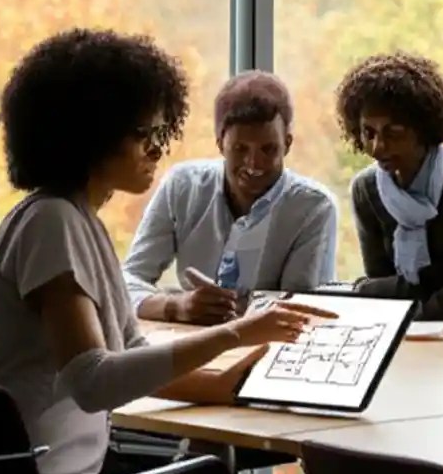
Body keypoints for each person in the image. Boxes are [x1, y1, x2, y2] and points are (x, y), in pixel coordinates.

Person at [0, 29, 333, 474]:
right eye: (144, 134)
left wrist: (241, 386)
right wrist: (237, 333)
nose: (158, 149)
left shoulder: (71, 218)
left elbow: (130, 358)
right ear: (93, 137)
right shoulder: (53, 223)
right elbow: (93, 380)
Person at [124, 71, 337, 325]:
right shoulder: (182, 186)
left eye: (268, 149)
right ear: (219, 144)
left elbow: (298, 308)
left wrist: (227, 311)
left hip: (266, 347)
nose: (254, 163)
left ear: (287, 144)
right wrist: (175, 306)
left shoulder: (314, 208)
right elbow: (128, 280)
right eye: (240, 149)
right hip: (188, 341)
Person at [336, 52, 443, 321]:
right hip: (401, 332)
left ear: (424, 129)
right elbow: (381, 284)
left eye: (393, 132)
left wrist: (410, 310)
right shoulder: (366, 190)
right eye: (368, 133)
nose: (378, 146)